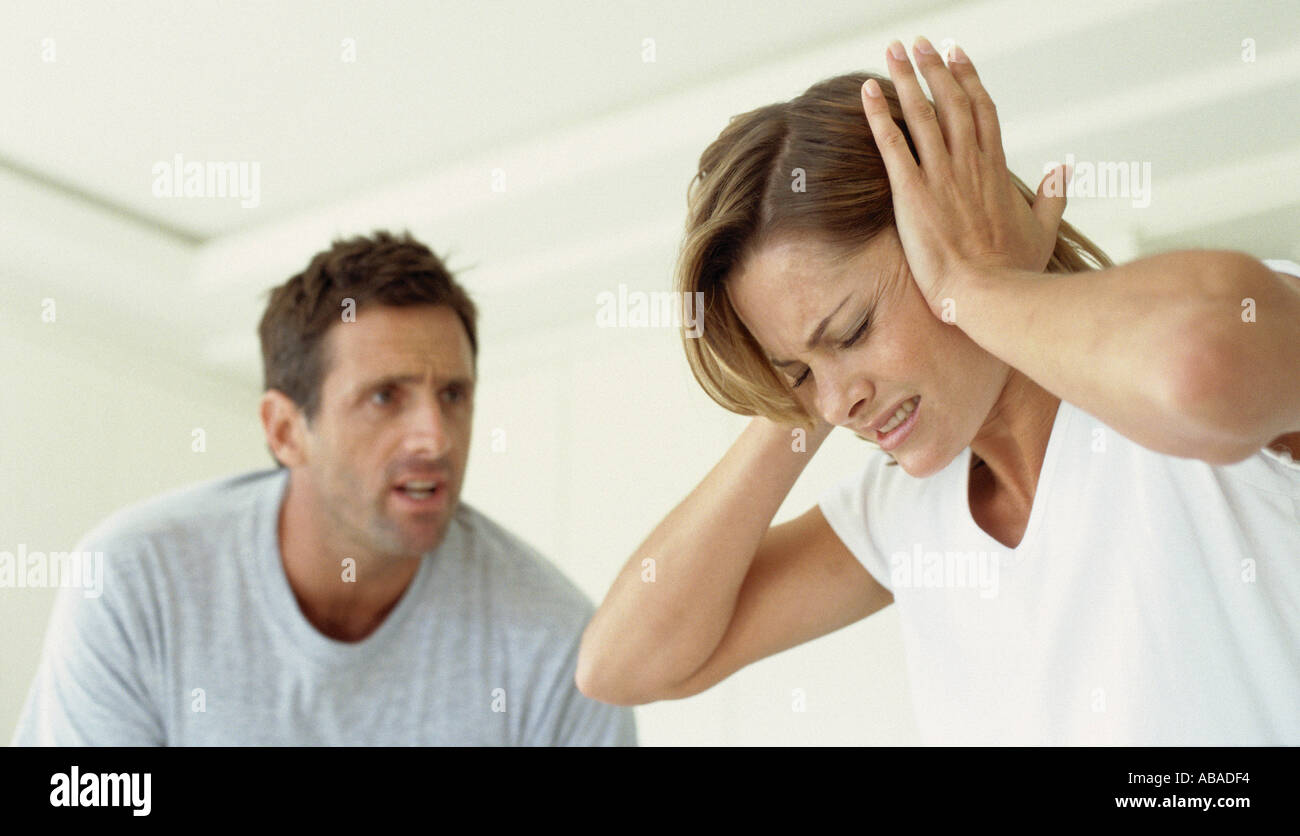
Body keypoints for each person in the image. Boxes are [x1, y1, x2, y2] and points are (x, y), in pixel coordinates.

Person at [576, 37, 1300, 745]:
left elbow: (1199, 367)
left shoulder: (1209, 346)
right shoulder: (903, 513)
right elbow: (623, 665)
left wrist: (978, 285)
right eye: (797, 375)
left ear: (959, 224)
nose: (834, 407)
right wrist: (803, 383)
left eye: (854, 327)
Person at [13, 230, 636, 746]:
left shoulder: (559, 645)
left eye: (453, 395)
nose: (434, 437)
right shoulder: (135, 579)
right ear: (285, 431)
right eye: (385, 397)